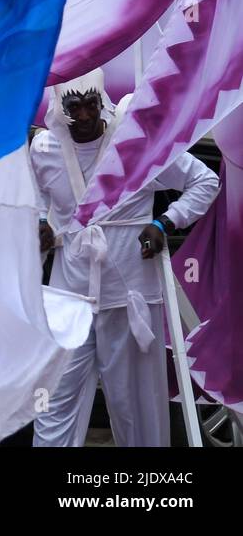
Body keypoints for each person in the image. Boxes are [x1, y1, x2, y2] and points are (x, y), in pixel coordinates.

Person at [31, 69, 218, 446]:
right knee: (54, 402)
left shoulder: (137, 141)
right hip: (70, 297)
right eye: (73, 107)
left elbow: (205, 182)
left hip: (129, 293)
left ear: (102, 103)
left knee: (133, 405)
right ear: (58, 108)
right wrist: (41, 225)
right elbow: (36, 202)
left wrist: (165, 223)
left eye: (90, 105)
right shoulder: (45, 151)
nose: (83, 116)